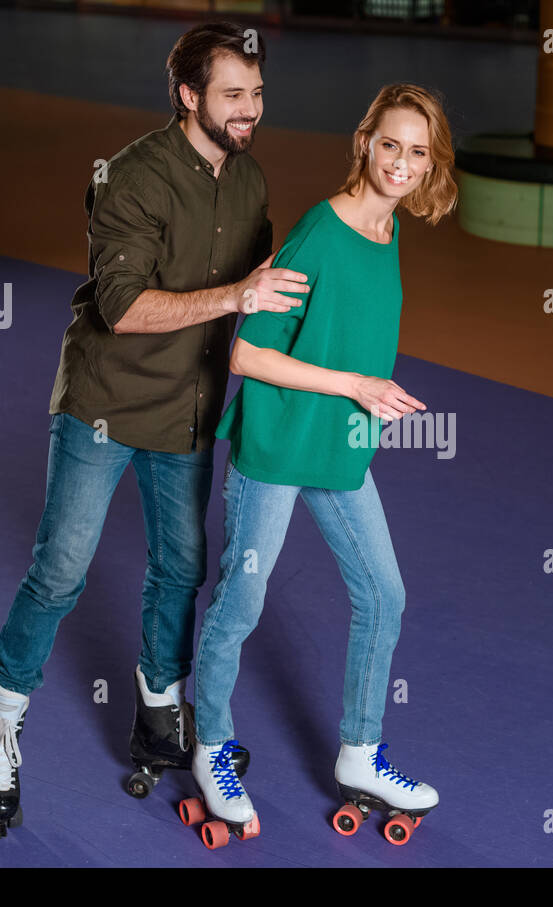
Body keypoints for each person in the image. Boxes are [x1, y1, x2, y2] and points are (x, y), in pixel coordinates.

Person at [0, 22, 310, 839]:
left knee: (180, 567)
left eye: (257, 93)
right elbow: (120, 308)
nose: (250, 108)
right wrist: (236, 296)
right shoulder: (132, 176)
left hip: (188, 406)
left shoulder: (250, 181)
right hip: (105, 403)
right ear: (188, 95)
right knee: (60, 572)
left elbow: (264, 294)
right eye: (232, 94)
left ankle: (158, 715)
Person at [187, 83, 458, 840]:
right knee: (241, 604)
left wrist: (360, 401)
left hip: (339, 452)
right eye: (390, 144)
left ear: (430, 163)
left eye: (417, 152)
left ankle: (360, 754)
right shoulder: (321, 231)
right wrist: (357, 386)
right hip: (277, 448)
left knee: (384, 596)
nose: (401, 162)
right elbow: (246, 354)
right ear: (365, 142)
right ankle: (211, 748)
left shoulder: (387, 229)